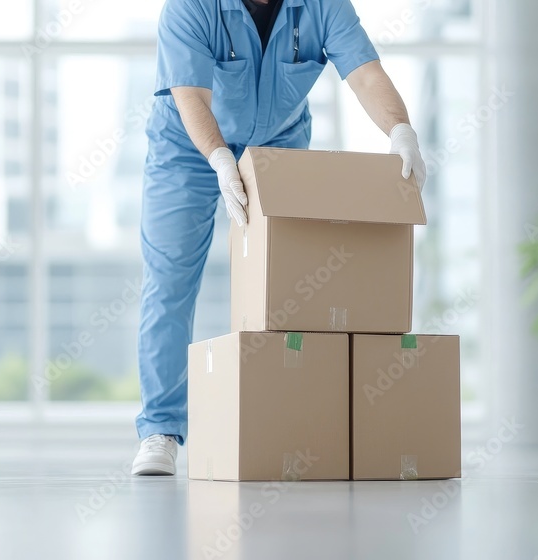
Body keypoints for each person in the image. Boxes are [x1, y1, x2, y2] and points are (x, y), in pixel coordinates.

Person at [131, 0, 428, 475]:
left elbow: (366, 74)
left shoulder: (323, 6)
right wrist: (220, 159)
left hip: (278, 141)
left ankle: (282, 418)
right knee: (171, 278)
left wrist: (400, 130)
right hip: (186, 147)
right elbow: (190, 96)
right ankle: (160, 430)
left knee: (289, 287)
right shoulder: (191, 6)